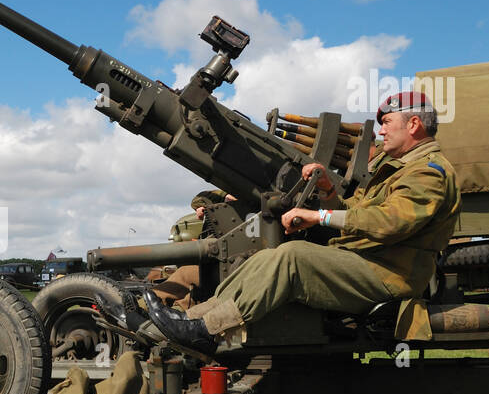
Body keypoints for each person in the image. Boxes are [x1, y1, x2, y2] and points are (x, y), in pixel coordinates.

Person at [154, 92, 460, 356]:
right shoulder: (399, 169)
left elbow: (390, 223)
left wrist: (320, 216)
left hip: (392, 274)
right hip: (372, 263)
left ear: (414, 125)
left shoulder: (428, 173)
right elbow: (354, 211)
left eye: (387, 123)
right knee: (267, 257)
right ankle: (191, 321)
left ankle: (205, 331)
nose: (381, 132)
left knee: (292, 258)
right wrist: (327, 189)